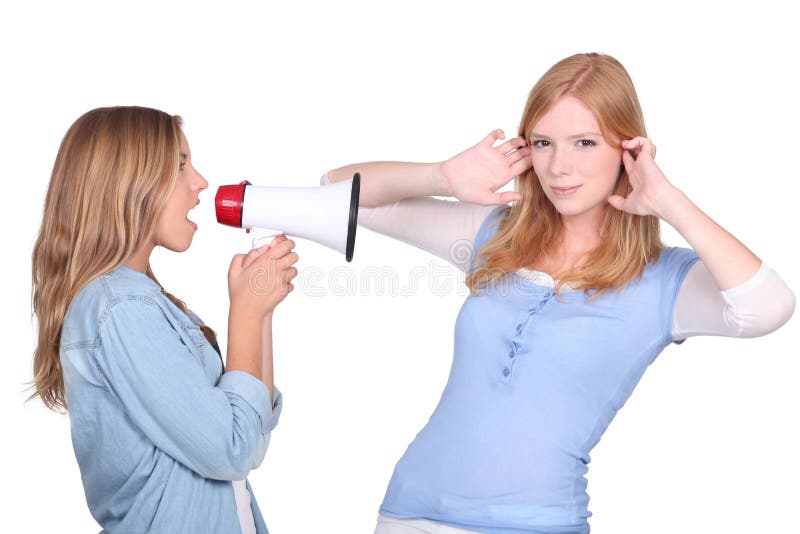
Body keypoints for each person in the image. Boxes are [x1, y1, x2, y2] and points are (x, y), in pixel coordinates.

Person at [323, 53, 795, 534]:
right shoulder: (495, 235)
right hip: (408, 515)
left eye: (585, 143)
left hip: (535, 524)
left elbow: (768, 308)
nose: (559, 167)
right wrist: (443, 176)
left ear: (628, 150)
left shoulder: (665, 281)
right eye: (544, 143)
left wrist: (668, 201)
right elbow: (337, 193)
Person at [30, 106, 298, 533]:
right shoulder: (120, 309)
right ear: (127, 184)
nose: (200, 183)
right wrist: (245, 313)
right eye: (179, 166)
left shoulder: (149, 306)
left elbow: (252, 433)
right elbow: (231, 447)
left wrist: (260, 312)